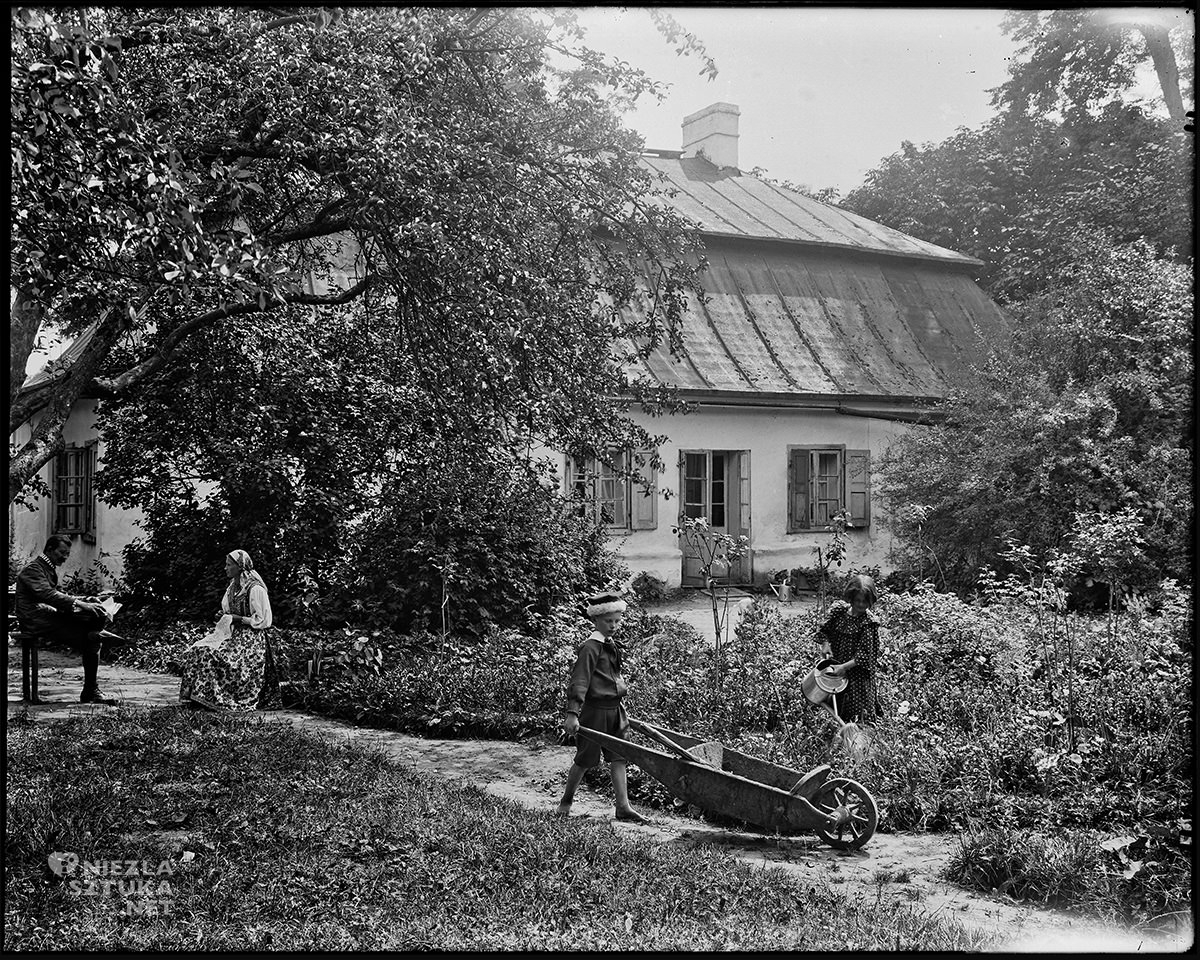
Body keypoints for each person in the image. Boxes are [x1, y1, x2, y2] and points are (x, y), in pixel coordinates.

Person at [557, 590, 648, 823]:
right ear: (595, 619)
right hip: (595, 711)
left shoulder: (611, 645)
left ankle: (623, 806)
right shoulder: (590, 647)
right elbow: (580, 681)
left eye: (617, 621)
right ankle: (565, 803)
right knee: (585, 759)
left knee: (620, 756)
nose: (613, 626)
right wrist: (572, 714)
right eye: (608, 621)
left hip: (616, 710)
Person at [14, 534, 120, 704]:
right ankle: (91, 689)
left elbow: (55, 595)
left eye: (67, 554)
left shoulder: (45, 567)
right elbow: (48, 594)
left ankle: (97, 634)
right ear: (49, 550)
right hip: (34, 620)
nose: (65, 557)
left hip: (45, 616)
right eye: (62, 553)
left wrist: (86, 600)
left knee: (91, 630)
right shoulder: (33, 569)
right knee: (91, 638)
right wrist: (81, 603)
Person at [179, 549, 281, 711]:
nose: (225, 568)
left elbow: (263, 620)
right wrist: (223, 615)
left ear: (240, 567)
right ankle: (199, 697)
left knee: (211, 655)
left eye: (228, 565)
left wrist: (238, 618)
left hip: (250, 642)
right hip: (232, 636)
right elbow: (228, 612)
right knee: (200, 650)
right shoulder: (232, 588)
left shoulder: (255, 589)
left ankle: (218, 697)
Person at [815, 574, 881, 725]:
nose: (861, 604)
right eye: (858, 600)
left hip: (857, 675)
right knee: (834, 707)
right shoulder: (839, 612)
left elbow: (865, 655)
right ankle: (837, 734)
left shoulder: (868, 623)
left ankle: (858, 736)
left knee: (858, 714)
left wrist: (844, 667)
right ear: (851, 598)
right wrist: (825, 644)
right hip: (836, 667)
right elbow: (824, 630)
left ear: (871, 601)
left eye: (865, 601)